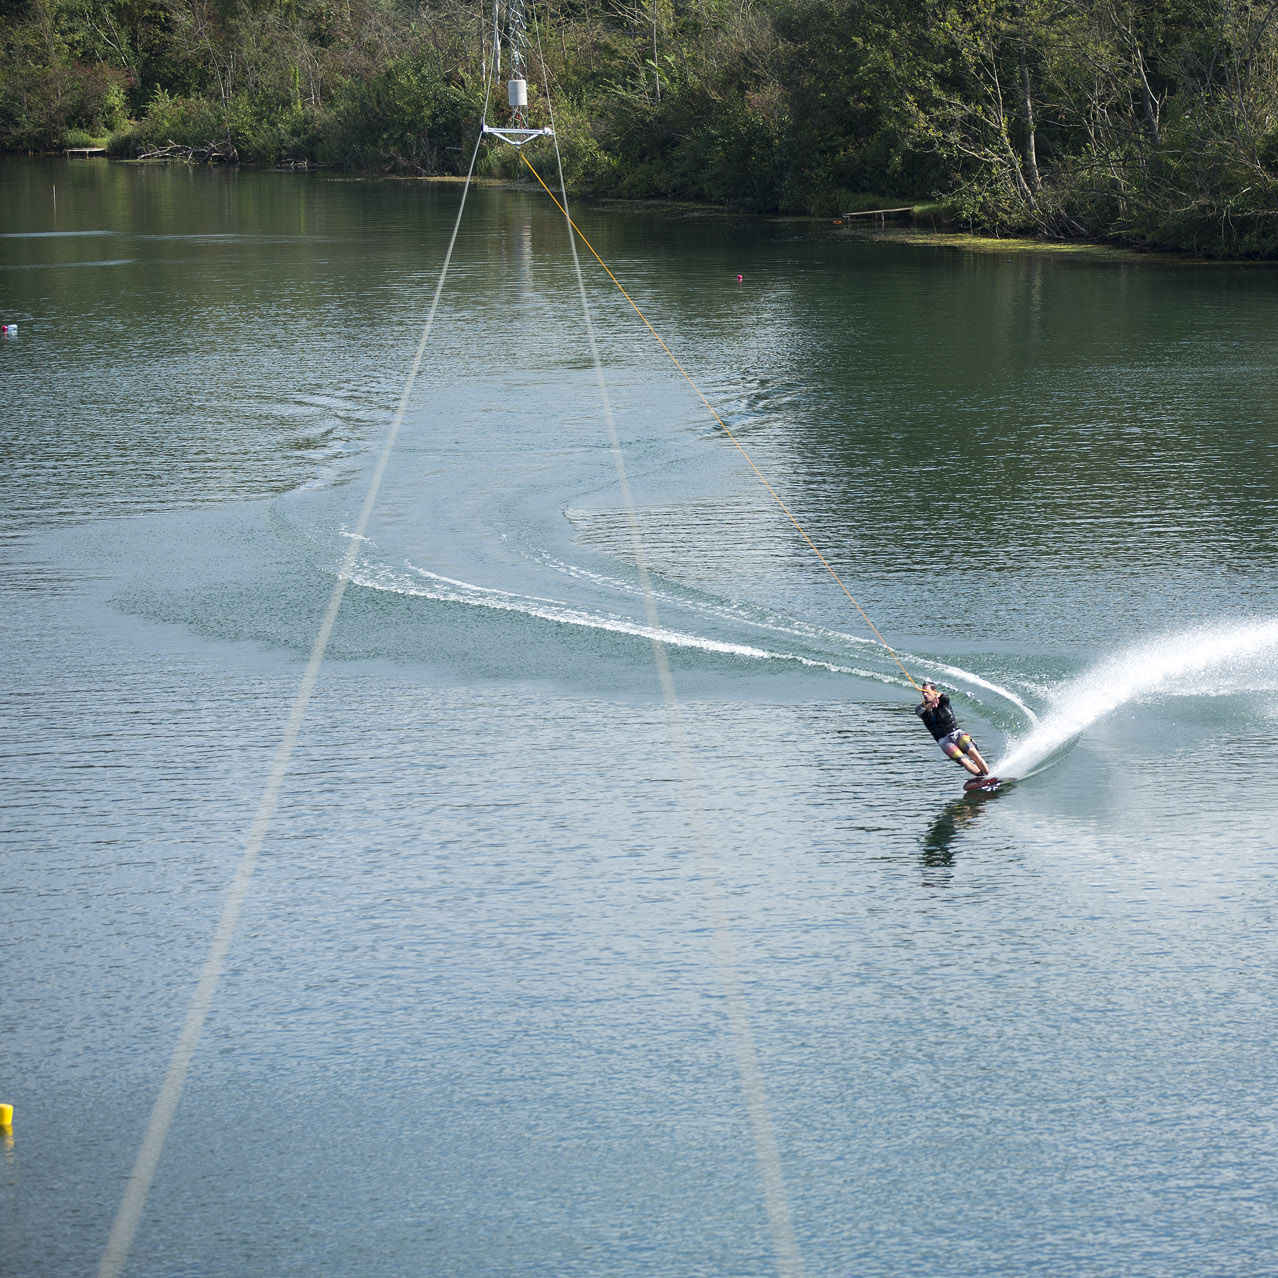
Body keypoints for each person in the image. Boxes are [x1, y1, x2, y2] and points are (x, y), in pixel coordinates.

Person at [915, 681, 991, 778]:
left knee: (974, 754)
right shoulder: (919, 709)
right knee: (964, 761)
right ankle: (982, 778)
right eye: (923, 692)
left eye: (927, 691)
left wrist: (936, 699)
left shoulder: (943, 700)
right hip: (944, 741)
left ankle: (990, 775)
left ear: (934, 691)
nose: (925, 694)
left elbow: (945, 696)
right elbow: (923, 711)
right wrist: (930, 705)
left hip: (957, 733)